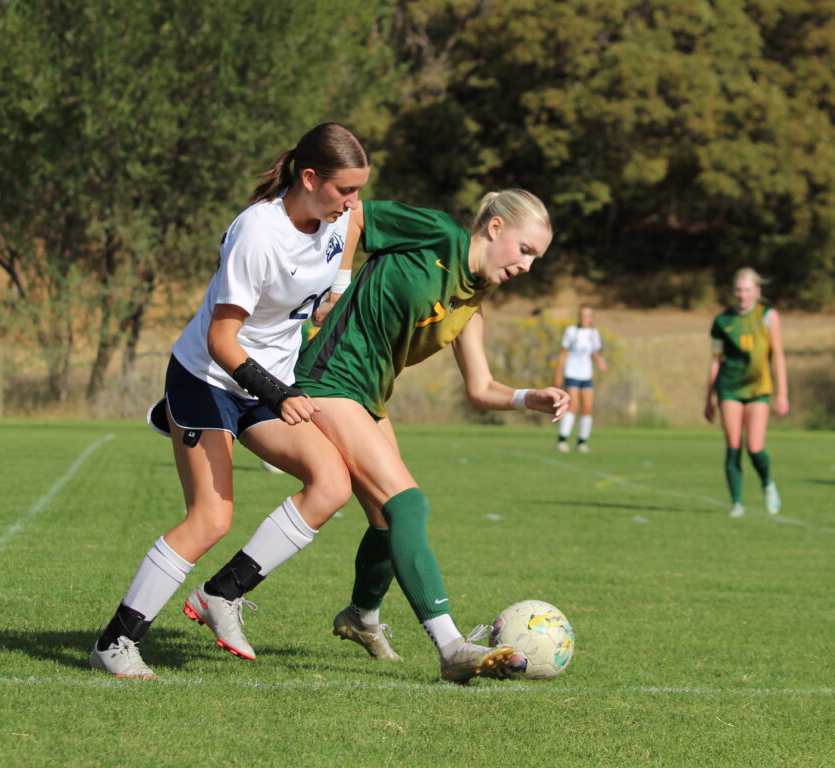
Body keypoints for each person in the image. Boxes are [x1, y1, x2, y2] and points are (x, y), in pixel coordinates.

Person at [198, 190, 567, 684]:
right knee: (409, 504)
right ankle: (451, 645)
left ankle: (361, 616)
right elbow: (356, 216)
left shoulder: (474, 299)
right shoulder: (438, 234)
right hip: (326, 378)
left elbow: (480, 388)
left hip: (368, 398)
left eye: (535, 259)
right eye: (525, 250)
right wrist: (338, 286)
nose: (526, 266)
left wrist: (527, 397)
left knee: (389, 523)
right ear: (495, 228)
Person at [88, 122, 369, 679]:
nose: (354, 203)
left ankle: (222, 594)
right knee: (212, 518)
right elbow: (221, 341)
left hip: (266, 383)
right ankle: (114, 642)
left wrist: (334, 291)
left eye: (359, 189)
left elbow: (353, 229)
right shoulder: (257, 234)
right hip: (210, 378)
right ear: (309, 178)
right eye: (345, 190)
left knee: (333, 485)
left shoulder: (341, 215)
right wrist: (279, 393)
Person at [704, 267, 789, 517]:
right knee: (733, 444)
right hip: (729, 388)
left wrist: (781, 393)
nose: (742, 294)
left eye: (747, 290)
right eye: (738, 290)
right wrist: (708, 397)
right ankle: (737, 503)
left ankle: (767, 483)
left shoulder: (768, 316)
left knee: (754, 447)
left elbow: (778, 356)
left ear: (757, 291)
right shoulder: (722, 321)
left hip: (758, 389)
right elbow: (715, 361)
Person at [554, 305, 608, 453]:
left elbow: (594, 353)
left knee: (587, 407)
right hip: (572, 373)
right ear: (579, 317)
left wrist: (599, 361)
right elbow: (563, 353)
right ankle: (562, 439)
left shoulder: (594, 334)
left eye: (588, 315)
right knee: (573, 405)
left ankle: (582, 441)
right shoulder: (571, 331)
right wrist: (558, 375)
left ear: (592, 318)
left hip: (586, 374)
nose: (585, 318)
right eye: (582, 315)